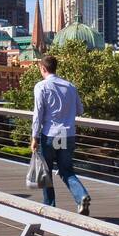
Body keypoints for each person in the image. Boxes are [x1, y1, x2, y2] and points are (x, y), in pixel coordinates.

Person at [31, 54, 91, 215]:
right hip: (67, 134)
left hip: (50, 134)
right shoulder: (70, 86)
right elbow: (80, 110)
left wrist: (34, 137)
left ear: (43, 68)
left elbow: (38, 114)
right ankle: (81, 196)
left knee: (46, 171)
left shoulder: (41, 86)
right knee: (66, 170)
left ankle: (50, 206)